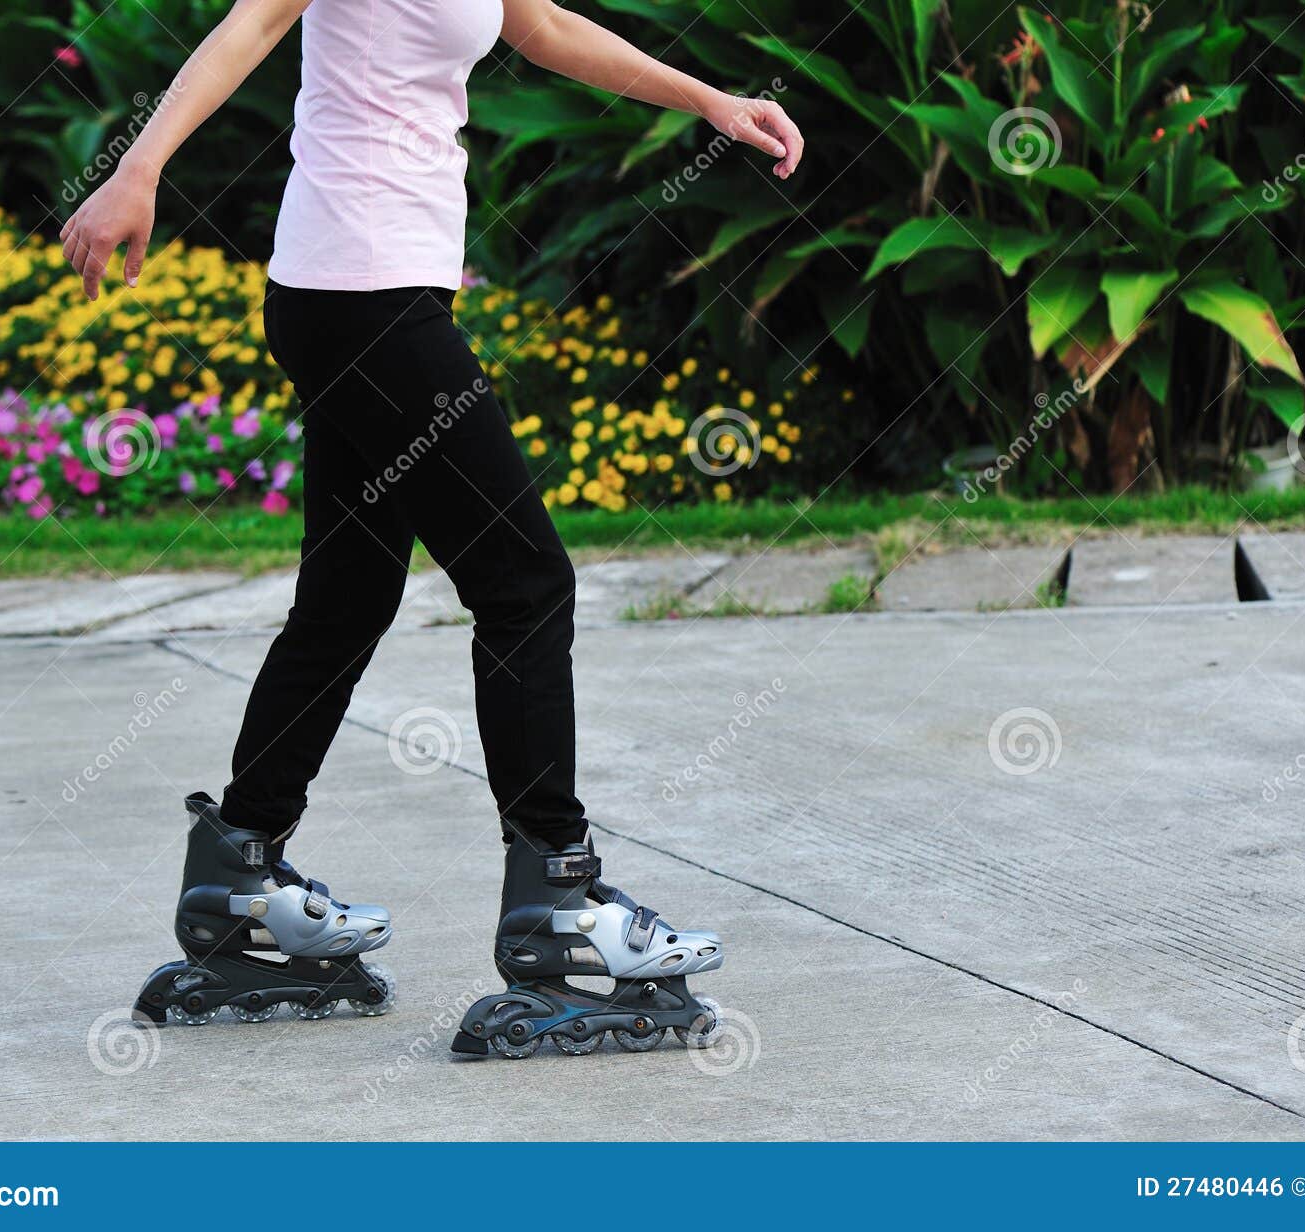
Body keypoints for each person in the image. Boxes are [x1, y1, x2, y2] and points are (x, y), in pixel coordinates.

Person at [63, 0, 803, 1055]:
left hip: (365, 292)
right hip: (364, 295)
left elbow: (539, 24)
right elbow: (253, 20)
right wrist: (140, 170)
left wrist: (711, 103)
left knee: (348, 597)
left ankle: (240, 871)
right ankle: (557, 899)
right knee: (525, 580)